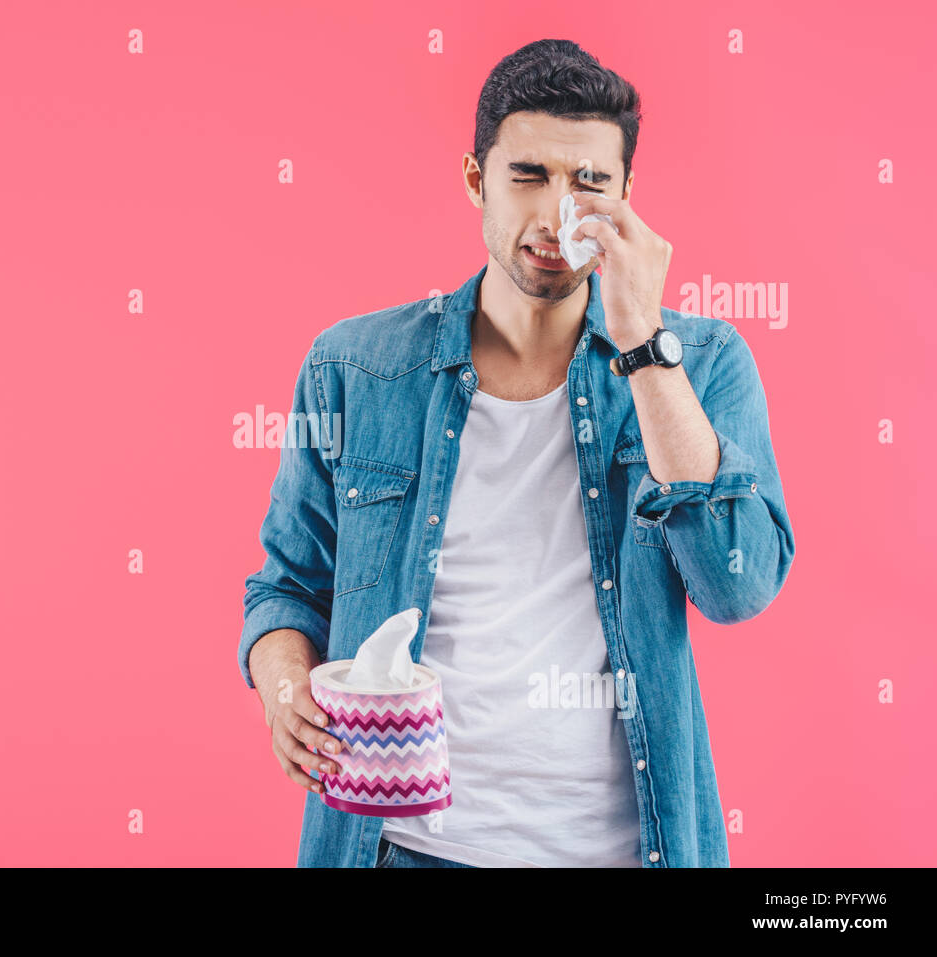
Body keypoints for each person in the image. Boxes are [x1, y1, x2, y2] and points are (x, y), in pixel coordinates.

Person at [237, 38, 795, 868]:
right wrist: (286, 689)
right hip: (400, 846)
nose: (553, 216)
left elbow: (737, 583)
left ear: (627, 196)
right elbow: (286, 587)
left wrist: (642, 340)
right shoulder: (355, 367)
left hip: (622, 849)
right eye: (527, 175)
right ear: (476, 179)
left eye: (588, 183)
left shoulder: (700, 363)